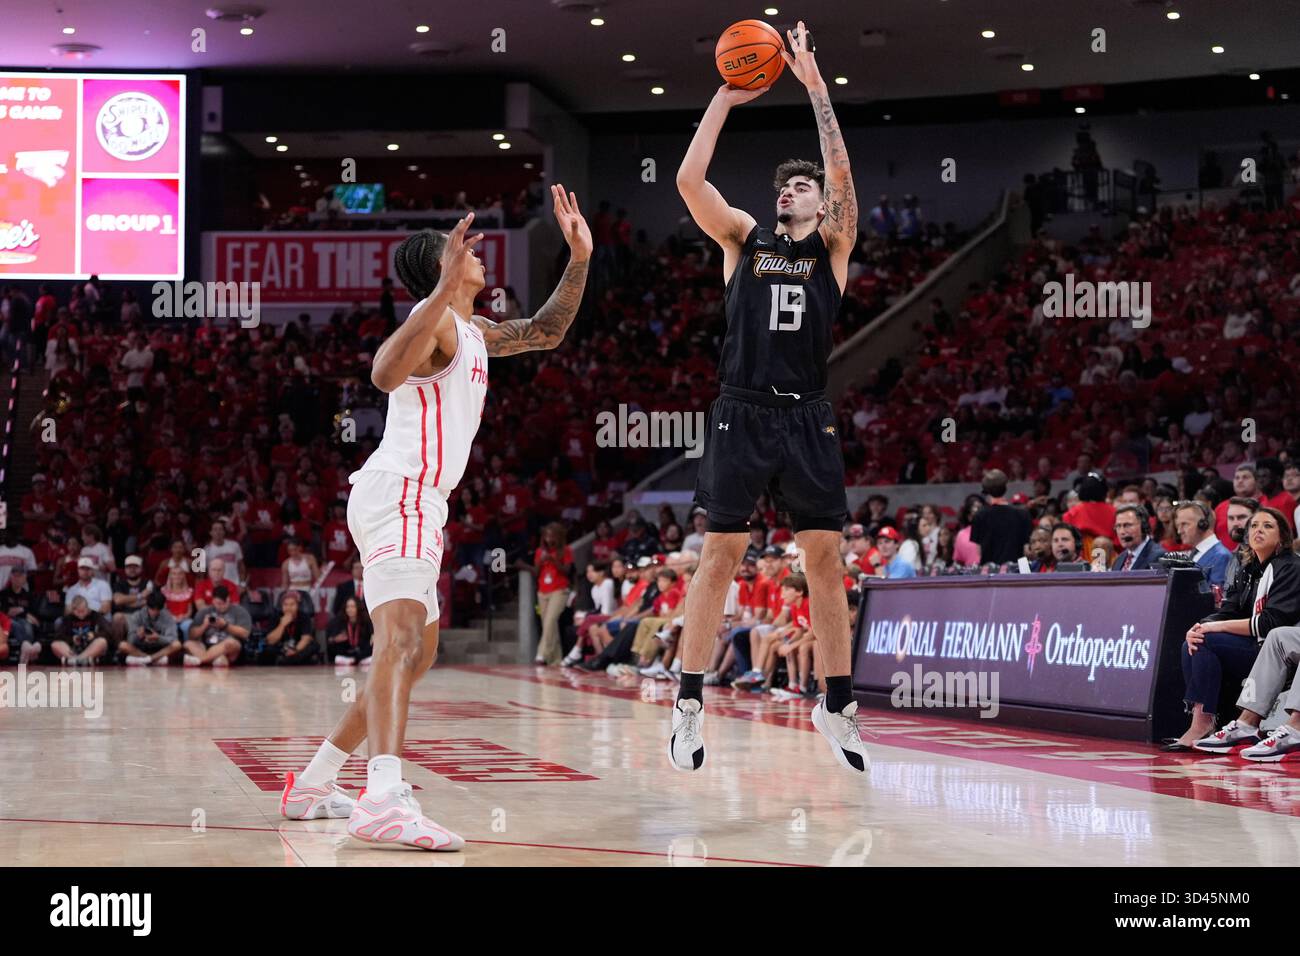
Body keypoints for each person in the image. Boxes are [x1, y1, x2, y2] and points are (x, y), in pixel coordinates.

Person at [282, 186, 591, 852]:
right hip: (402, 492)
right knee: (396, 646)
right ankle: (385, 796)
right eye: (465, 254)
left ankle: (314, 781)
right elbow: (382, 373)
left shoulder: (472, 330)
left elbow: (546, 330)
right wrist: (441, 288)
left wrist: (581, 257)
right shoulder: (434, 319)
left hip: (418, 500)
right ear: (442, 268)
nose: (480, 259)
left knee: (415, 656)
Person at [670, 20, 869, 776]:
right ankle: (690, 702)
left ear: (819, 204)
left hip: (806, 414)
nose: (791, 188)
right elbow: (691, 184)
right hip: (742, 407)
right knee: (719, 554)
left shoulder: (834, 248)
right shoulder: (745, 239)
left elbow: (843, 180)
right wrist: (723, 98)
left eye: (803, 185)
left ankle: (836, 701)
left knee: (825, 558)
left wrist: (817, 89)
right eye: (786, 183)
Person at [1181, 508, 1300, 757]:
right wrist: (1201, 625)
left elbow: (1269, 623)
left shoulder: (1291, 567)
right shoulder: (1247, 569)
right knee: (1195, 639)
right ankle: (1206, 721)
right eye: (1254, 525)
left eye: (1267, 526)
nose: (1258, 530)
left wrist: (1216, 627)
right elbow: (1228, 610)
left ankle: (1217, 724)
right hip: (1264, 643)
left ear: (1283, 537)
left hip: (1269, 643)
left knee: (1209, 640)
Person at [969, 469, 1031, 565]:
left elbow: (979, 551)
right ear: (1006, 487)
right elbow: (1027, 550)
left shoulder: (979, 516)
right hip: (1016, 572)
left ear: (986, 491)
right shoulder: (1022, 514)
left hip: (990, 572)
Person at [1173, 500, 1231, 589]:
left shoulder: (1221, 556)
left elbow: (1217, 598)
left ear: (1203, 524)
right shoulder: (1195, 553)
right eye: (1178, 526)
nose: (1179, 531)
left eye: (1184, 524)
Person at [121, 589, 183, 666]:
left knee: (177, 644)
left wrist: (158, 638)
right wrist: (138, 636)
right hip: (141, 648)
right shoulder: (137, 616)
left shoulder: (168, 617)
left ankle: (148, 659)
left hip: (160, 649)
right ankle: (150, 659)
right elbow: (130, 640)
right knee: (123, 645)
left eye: (158, 609)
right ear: (147, 606)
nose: (154, 612)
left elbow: (173, 638)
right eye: (152, 609)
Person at [327, 596, 374, 665]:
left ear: (358, 607)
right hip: (346, 653)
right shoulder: (339, 621)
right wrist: (335, 639)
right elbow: (330, 640)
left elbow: (371, 638)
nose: (349, 609)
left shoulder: (366, 621)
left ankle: (357, 660)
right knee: (336, 654)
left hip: (363, 653)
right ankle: (353, 660)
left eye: (352, 607)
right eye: (348, 607)